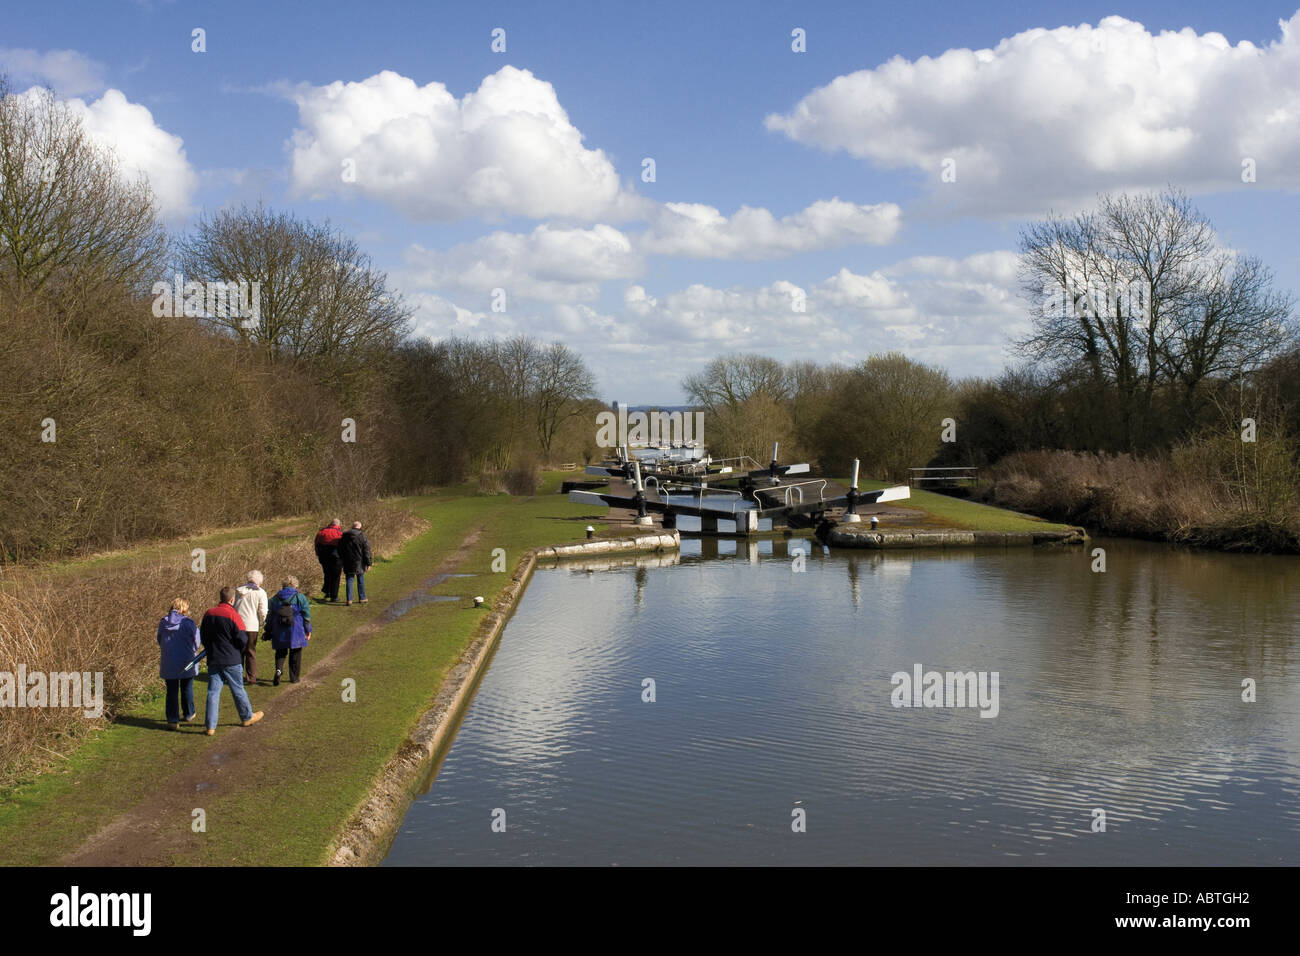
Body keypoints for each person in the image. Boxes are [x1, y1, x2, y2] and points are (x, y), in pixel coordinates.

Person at [199, 586, 263, 735]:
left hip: (214, 658)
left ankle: (210, 726)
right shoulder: (233, 615)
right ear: (232, 599)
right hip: (231, 658)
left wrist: (210, 648)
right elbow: (242, 638)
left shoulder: (208, 613)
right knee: (237, 689)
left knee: (213, 692)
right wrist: (237, 650)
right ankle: (247, 716)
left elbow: (203, 635)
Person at [157, 598, 201, 730]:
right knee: (187, 687)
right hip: (187, 661)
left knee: (171, 690)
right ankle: (189, 713)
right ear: (184, 609)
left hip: (169, 661)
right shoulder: (189, 623)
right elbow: (197, 643)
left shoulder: (163, 622)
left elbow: (160, 640)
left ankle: (172, 719)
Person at [266, 575, 312, 685]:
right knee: (295, 653)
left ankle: (278, 670)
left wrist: (268, 629)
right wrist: (308, 630)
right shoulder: (300, 597)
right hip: (296, 628)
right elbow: (306, 615)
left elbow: (270, 615)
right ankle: (294, 677)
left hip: (279, 627)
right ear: (295, 585)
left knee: (280, 652)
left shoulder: (275, 598)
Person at [233, 570, 269, 685]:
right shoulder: (260, 592)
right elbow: (263, 611)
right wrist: (262, 622)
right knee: (250, 651)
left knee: (239, 652)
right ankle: (251, 677)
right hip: (252, 626)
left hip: (238, 625)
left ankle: (237, 676)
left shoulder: (238, 590)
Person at [339, 521, 373, 606]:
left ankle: (349, 600)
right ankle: (362, 598)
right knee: (360, 579)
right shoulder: (362, 536)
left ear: (352, 527)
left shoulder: (344, 536)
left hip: (347, 561)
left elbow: (340, 549)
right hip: (359, 561)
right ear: (360, 527)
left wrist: (342, 559)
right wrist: (368, 563)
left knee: (349, 580)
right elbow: (366, 551)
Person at [314, 519, 343, 602]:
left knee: (327, 574)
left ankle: (327, 593)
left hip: (324, 557)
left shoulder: (321, 532)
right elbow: (344, 546)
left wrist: (317, 554)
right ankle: (334, 596)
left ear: (330, 524)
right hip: (336, 558)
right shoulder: (340, 533)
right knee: (336, 576)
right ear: (338, 525)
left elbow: (316, 543)